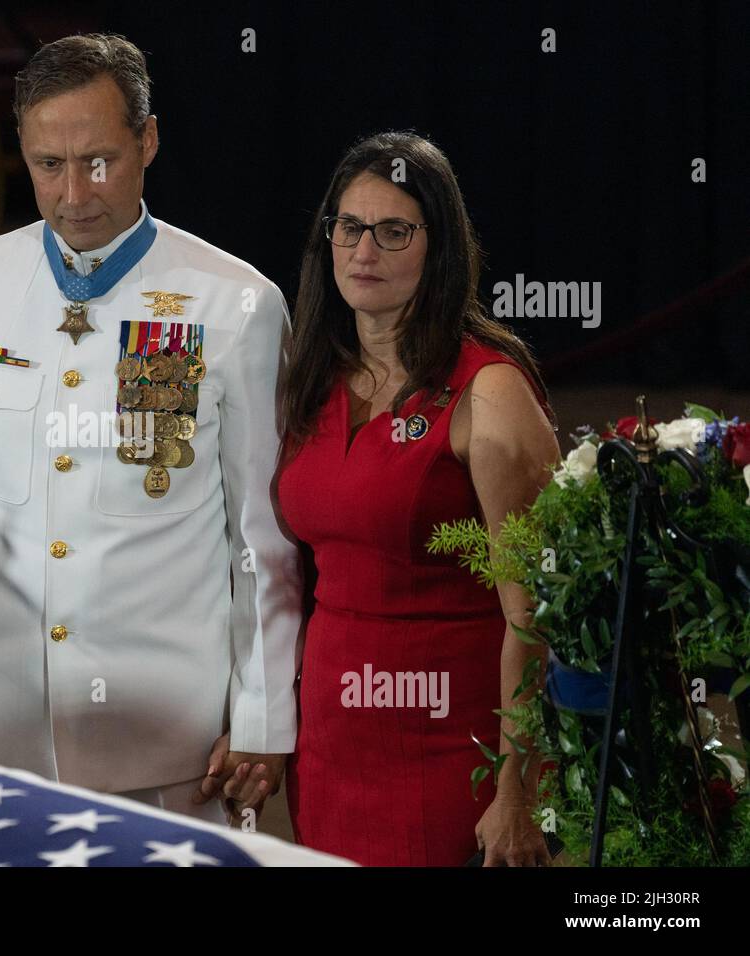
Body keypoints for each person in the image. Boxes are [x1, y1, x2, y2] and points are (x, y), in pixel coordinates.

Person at [0, 33, 303, 824]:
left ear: (148, 140)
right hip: (0, 733)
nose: (75, 192)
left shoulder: (234, 304)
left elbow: (260, 539)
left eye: (100, 160)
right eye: (50, 164)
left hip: (171, 751)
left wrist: (260, 718)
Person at [277, 131, 561, 865]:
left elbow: (539, 617)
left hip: (451, 753)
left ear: (441, 248)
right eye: (348, 227)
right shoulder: (312, 380)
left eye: (394, 231)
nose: (363, 250)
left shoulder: (489, 392)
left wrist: (518, 789)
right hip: (331, 751)